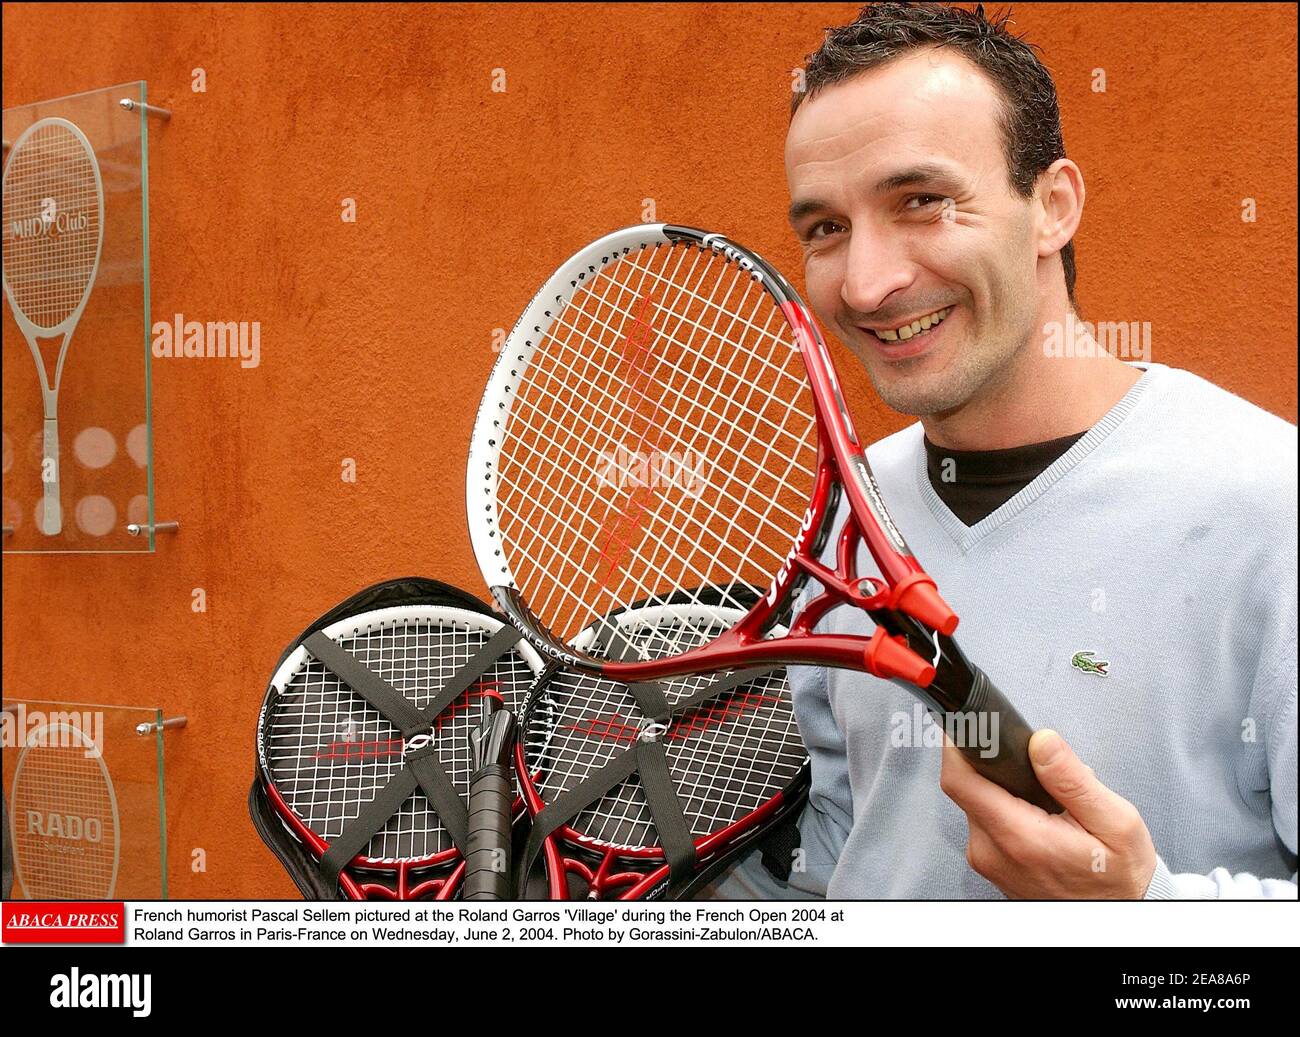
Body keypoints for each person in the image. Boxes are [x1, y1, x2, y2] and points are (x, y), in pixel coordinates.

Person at [711, 2, 1296, 899]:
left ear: (1051, 206)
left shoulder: (1271, 503)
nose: (867, 282)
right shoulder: (844, 515)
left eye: (923, 202)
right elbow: (842, 864)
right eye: (826, 227)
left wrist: (1147, 909)